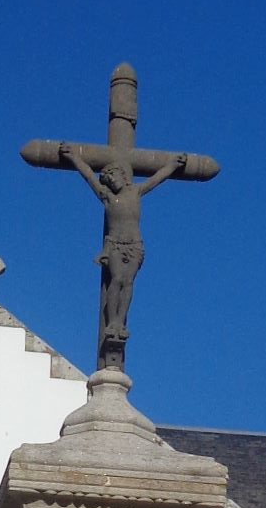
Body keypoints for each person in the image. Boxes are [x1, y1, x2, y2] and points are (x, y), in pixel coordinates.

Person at [59, 142, 189, 370]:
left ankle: (120, 320)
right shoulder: (107, 197)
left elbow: (156, 179)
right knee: (117, 280)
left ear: (122, 177)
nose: (111, 181)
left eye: (113, 177)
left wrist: (172, 166)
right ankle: (113, 323)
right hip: (115, 246)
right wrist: (74, 158)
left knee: (127, 282)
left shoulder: (135, 192)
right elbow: (89, 176)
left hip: (134, 245)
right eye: (108, 179)